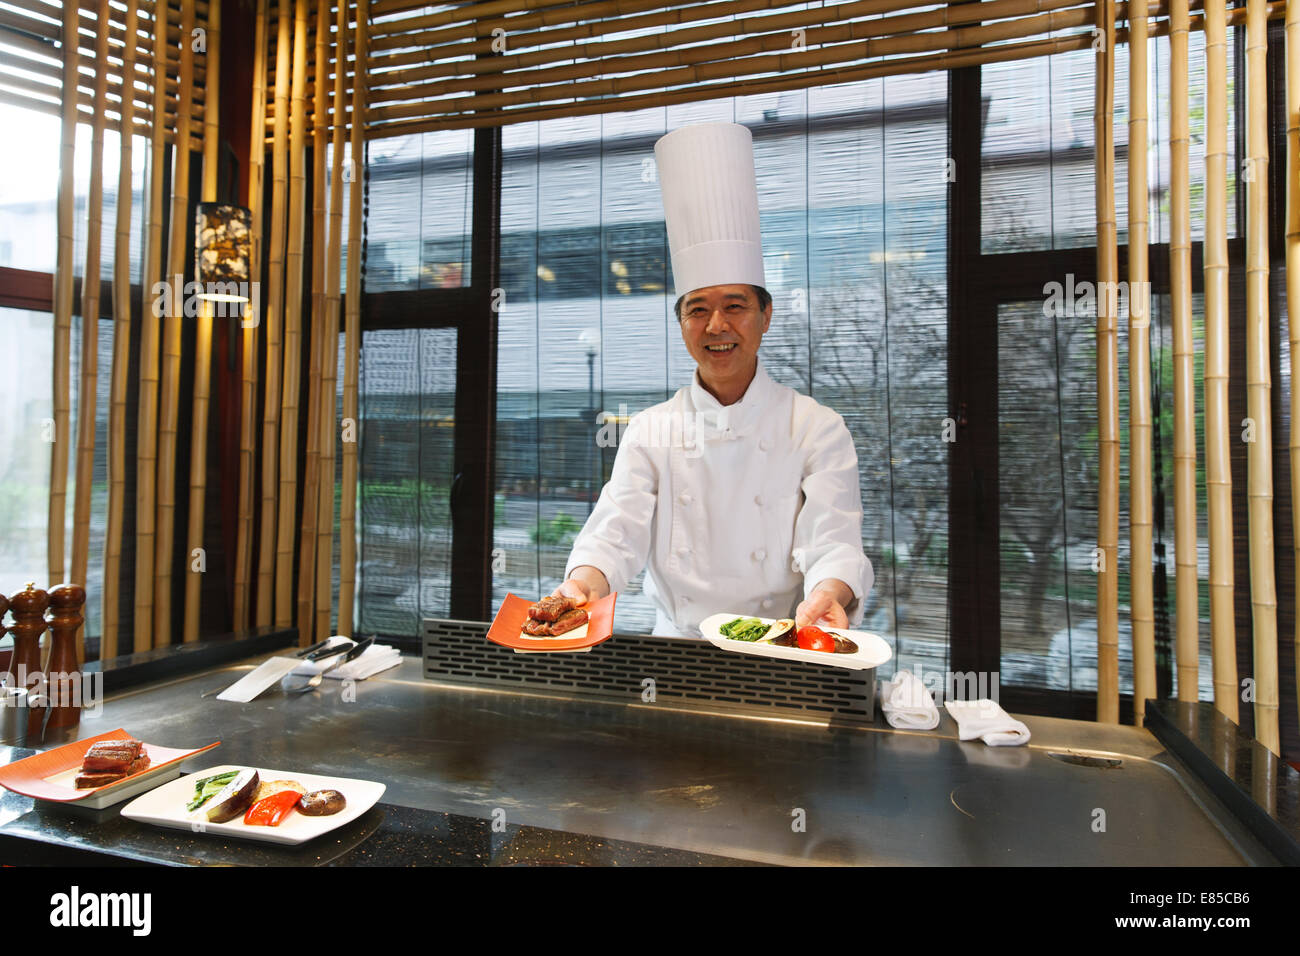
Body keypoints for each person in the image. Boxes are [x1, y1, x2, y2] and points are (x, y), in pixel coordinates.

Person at [552, 122, 873, 638]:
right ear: (681, 323)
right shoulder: (651, 430)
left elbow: (834, 540)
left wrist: (828, 592)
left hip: (780, 648)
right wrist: (583, 585)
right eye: (698, 310)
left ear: (766, 316)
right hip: (677, 652)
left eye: (735, 307)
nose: (717, 326)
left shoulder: (818, 427)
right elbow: (616, 531)